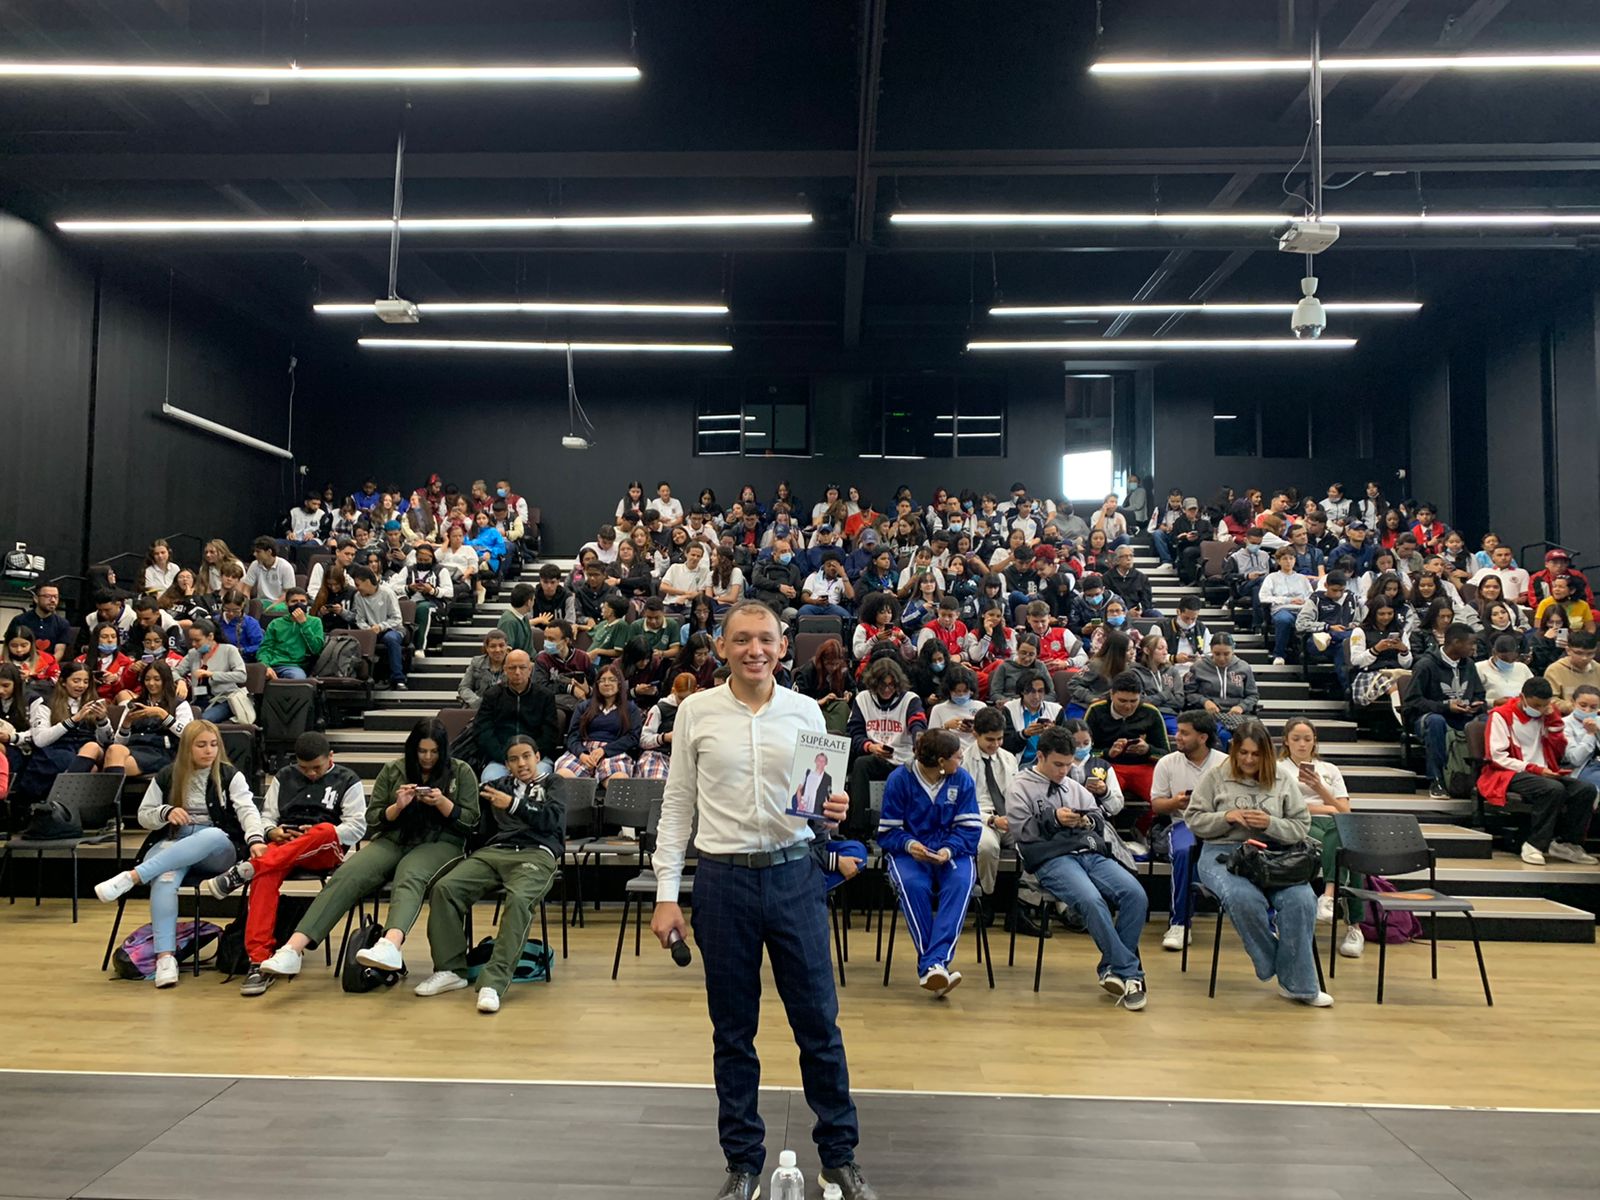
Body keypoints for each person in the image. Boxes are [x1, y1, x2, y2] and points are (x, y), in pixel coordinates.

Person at [648, 601, 878, 1200]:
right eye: (742, 639)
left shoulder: (806, 711)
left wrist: (834, 811)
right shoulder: (695, 712)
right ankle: (743, 1162)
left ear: (783, 647)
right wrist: (667, 895)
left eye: (766, 639)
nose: (755, 649)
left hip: (796, 875)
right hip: (722, 883)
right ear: (721, 647)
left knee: (819, 1026)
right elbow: (676, 808)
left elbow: (819, 801)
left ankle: (839, 1157)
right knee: (732, 1030)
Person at [260, 718, 481, 983]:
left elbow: (471, 822)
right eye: (422, 751)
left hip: (441, 841)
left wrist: (443, 802)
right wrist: (398, 806)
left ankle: (390, 944)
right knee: (347, 874)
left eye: (434, 752)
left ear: (443, 750)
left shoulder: (461, 771)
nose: (427, 757)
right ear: (413, 748)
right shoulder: (394, 769)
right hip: (394, 838)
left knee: (409, 875)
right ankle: (292, 949)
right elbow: (374, 819)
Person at [91, 720, 264, 988]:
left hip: (217, 849)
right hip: (176, 842)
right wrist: (166, 812)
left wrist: (255, 839)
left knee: (212, 835)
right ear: (187, 748)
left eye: (214, 745)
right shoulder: (168, 774)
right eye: (201, 745)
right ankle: (165, 957)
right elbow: (144, 815)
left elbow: (248, 811)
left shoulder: (229, 775)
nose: (209, 751)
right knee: (165, 879)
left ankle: (133, 877)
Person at [200, 731, 367, 995]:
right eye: (304, 768)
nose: (311, 773)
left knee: (322, 830)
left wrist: (316, 834)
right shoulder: (285, 776)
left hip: (325, 848)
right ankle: (259, 961)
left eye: (317, 768)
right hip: (285, 842)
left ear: (331, 758)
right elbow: (267, 817)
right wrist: (270, 832)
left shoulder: (348, 780)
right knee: (264, 877)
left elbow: (356, 828)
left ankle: (247, 869)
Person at [1183, 719, 1330, 1006]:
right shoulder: (1215, 776)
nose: (1249, 760)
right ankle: (1277, 966)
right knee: (1242, 896)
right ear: (1234, 751)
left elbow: (1301, 826)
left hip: (1274, 854)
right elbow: (1194, 820)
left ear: (1267, 753)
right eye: (1243, 753)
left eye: (1256, 754)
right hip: (1223, 852)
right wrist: (1227, 817)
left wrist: (1270, 823)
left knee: (1301, 900)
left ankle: (1299, 987)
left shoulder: (1283, 780)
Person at [415, 736, 565, 1014]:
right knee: (445, 888)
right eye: (514, 759)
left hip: (536, 853)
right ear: (506, 764)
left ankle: (493, 983)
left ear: (538, 756)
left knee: (519, 899)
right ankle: (451, 970)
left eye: (526, 756)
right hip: (494, 852)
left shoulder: (553, 783)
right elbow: (471, 820)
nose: (521, 763)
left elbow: (552, 820)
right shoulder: (495, 787)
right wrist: (439, 801)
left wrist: (513, 804)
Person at [1007, 723, 1148, 1010]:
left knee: (1136, 895)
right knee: (1090, 901)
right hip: (1050, 858)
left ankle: (1113, 967)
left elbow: (1099, 820)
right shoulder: (1019, 785)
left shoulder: (1074, 786)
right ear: (1041, 757)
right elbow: (1021, 833)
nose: (1063, 771)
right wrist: (1054, 820)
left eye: (1068, 765)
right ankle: (1130, 973)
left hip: (1087, 852)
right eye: (1058, 764)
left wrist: (1086, 821)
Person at [875, 728, 982, 995]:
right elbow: (888, 833)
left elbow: (969, 829)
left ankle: (932, 966)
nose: (961, 759)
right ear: (942, 762)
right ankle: (935, 966)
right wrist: (910, 845)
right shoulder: (900, 779)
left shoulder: (963, 780)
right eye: (957, 756)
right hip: (910, 852)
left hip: (951, 853)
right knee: (914, 886)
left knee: (959, 884)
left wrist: (948, 849)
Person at [1479, 677, 1599, 866]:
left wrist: (1553, 721)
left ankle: (1566, 843)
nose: (1541, 709)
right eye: (1536, 705)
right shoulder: (1501, 715)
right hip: (1510, 771)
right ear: (1522, 698)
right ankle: (1534, 844)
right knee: (1552, 789)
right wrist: (1534, 768)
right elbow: (1497, 757)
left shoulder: (1547, 715)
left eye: (1545, 705)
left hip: (1544, 771)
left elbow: (1560, 751)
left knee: (1586, 789)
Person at [1277, 717, 1363, 958]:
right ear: (1286, 741)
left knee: (1347, 842)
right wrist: (1324, 807)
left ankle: (1332, 901)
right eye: (1296, 739)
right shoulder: (1278, 768)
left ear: (1315, 742)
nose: (1302, 744)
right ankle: (1349, 918)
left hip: (1334, 825)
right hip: (1300, 823)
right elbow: (1284, 808)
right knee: (1345, 849)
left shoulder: (1330, 770)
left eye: (1307, 739)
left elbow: (1345, 811)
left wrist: (1319, 789)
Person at [1149, 709, 1226, 952]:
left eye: (1184, 733)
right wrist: (1175, 803)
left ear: (1202, 737)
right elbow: (1157, 804)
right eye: (1178, 732)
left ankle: (1266, 923)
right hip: (1183, 822)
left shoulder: (1225, 762)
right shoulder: (1166, 763)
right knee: (1184, 851)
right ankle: (1179, 924)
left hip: (1220, 824)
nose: (1177, 737)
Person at [1403, 623, 1487, 799]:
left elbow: (1479, 693)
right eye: (1470, 644)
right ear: (1456, 642)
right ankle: (1437, 780)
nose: (1473, 648)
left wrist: (1476, 704)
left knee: (1486, 720)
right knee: (1436, 722)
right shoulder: (1426, 665)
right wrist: (1445, 707)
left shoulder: (1469, 665)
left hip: (1462, 715)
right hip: (1429, 718)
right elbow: (1412, 701)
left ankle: (1483, 781)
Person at [845, 658, 926, 839]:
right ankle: (858, 831)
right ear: (874, 684)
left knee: (919, 767)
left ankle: (915, 829)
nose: (887, 689)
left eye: (891, 685)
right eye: (882, 685)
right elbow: (853, 733)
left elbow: (917, 722)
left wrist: (918, 739)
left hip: (904, 757)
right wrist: (870, 746)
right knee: (860, 764)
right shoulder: (863, 699)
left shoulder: (910, 699)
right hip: (876, 756)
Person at [473, 650, 560, 784]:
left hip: (536, 758)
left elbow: (550, 733)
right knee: (490, 781)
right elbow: (483, 730)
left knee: (539, 779)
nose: (517, 672)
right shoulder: (492, 695)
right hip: (501, 758)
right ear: (505, 669)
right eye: (512, 668)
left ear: (530, 669)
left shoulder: (545, 696)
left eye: (522, 667)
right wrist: (506, 758)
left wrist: (530, 756)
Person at [1084, 671, 1170, 802]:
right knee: (1099, 798)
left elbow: (1166, 755)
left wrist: (1148, 750)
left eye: (1134, 701)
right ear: (1111, 695)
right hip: (1108, 766)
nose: (1128, 706)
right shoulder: (1096, 711)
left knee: (1161, 799)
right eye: (1122, 701)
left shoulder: (1151, 713)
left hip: (1144, 767)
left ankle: (1148, 823)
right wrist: (1108, 753)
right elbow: (1082, 752)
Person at [99, 661, 191, 779]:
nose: (151, 683)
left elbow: (188, 735)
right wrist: (126, 724)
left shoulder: (179, 704)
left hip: (161, 751)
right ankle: (114, 797)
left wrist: (162, 714)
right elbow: (119, 742)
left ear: (166, 680)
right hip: (133, 748)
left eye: (157, 679)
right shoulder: (134, 704)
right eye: (147, 679)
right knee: (114, 749)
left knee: (113, 765)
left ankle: (110, 797)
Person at [553, 666, 641, 781]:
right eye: (602, 680)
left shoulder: (630, 708)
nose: (606, 683)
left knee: (619, 780)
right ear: (597, 685)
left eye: (612, 679)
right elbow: (573, 736)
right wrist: (582, 754)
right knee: (563, 776)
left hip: (614, 752)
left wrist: (604, 750)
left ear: (620, 683)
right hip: (584, 751)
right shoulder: (584, 706)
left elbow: (633, 737)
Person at [968, 706, 1015, 905]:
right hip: (981, 817)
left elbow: (1015, 795)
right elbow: (964, 806)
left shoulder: (1009, 758)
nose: (995, 744)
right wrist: (992, 820)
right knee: (987, 847)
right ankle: (988, 898)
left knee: (1035, 843)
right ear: (975, 734)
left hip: (1008, 816)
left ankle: (1023, 903)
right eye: (989, 740)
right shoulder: (963, 761)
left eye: (999, 739)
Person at [1181, 633, 1258, 733]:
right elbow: (1188, 693)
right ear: (1211, 650)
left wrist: (1241, 707)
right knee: (1221, 734)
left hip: (1238, 714)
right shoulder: (1198, 667)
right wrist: (1204, 701)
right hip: (1207, 714)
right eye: (1217, 654)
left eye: (1226, 654)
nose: (1222, 658)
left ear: (1233, 651)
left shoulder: (1244, 667)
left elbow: (1253, 695)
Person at [173, 619, 246, 722]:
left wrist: (212, 674)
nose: (193, 644)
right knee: (181, 718)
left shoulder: (229, 650)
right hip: (198, 700)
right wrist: (180, 681)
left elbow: (241, 676)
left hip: (223, 700)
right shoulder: (193, 653)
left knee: (202, 720)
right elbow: (174, 672)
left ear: (210, 637)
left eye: (197, 640)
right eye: (191, 640)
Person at [1348, 601, 1413, 714]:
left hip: (1396, 672)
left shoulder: (1400, 632)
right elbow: (1356, 661)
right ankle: (1405, 724)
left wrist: (1403, 650)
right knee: (1395, 687)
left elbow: (1406, 664)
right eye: (1381, 614)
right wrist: (1376, 650)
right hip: (1370, 674)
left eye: (1390, 613)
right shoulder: (1360, 631)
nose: (1386, 617)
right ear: (1373, 614)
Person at [349, 564, 406, 690]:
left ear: (368, 582)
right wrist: (367, 630)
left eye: (358, 584)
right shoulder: (358, 597)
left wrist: (380, 627)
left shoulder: (387, 593)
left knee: (391, 639)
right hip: (369, 631)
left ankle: (398, 679)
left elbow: (396, 619)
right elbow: (359, 619)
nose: (357, 588)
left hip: (392, 629)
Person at [256, 587, 325, 681]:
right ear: (286, 603)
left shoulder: (315, 622)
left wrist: (303, 624)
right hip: (273, 664)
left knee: (297, 677)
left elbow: (316, 649)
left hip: (295, 666)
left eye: (302, 601)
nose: (299, 604)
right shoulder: (276, 623)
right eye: (294, 601)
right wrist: (265, 666)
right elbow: (265, 649)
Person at [1260, 547, 1314, 665]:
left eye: (1291, 558)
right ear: (1278, 561)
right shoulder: (1272, 577)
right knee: (1284, 620)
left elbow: (1312, 596)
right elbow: (1263, 597)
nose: (1288, 561)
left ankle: (1309, 655)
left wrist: (1305, 601)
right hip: (1282, 609)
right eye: (1285, 559)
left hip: (1302, 609)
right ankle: (1279, 654)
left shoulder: (1302, 578)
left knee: (1313, 619)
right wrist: (1287, 600)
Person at [5, 584, 71, 661]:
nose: (53, 600)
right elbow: (8, 646)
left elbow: (59, 652)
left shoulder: (62, 623)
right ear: (36, 599)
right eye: (47, 596)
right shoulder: (20, 620)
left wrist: (45, 666)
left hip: (48, 665)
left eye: (56, 597)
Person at [1545, 630, 1600, 713]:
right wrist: (1573, 707)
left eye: (1590, 654)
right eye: (1579, 653)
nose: (1584, 658)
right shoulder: (1555, 670)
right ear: (1568, 650)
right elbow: (1549, 699)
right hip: (1566, 719)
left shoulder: (1598, 668)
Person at [1561, 685, 1600, 792]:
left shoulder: (1598, 720)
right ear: (1573, 703)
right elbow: (1575, 760)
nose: (1587, 710)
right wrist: (1590, 734)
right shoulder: (1564, 725)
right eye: (1583, 705)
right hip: (1581, 769)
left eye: (1593, 707)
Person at [457, 630, 509, 709]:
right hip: (479, 708)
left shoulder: (514, 663)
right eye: (493, 646)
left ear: (507, 647)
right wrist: (477, 702)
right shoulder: (477, 663)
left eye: (501, 645)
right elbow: (464, 688)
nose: (497, 650)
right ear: (487, 648)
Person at [1477, 634, 1534, 705]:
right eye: (1504, 659)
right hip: (1492, 712)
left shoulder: (1522, 668)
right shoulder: (1479, 668)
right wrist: (1494, 702)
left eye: (1513, 659)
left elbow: (1534, 691)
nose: (1509, 662)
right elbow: (1475, 700)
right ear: (1494, 652)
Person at [242, 536, 296, 605]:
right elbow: (246, 589)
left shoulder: (286, 567)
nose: (254, 554)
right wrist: (246, 604)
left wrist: (275, 604)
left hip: (280, 604)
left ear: (269, 552)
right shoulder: (254, 565)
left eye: (258, 552)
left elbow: (288, 594)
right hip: (261, 603)